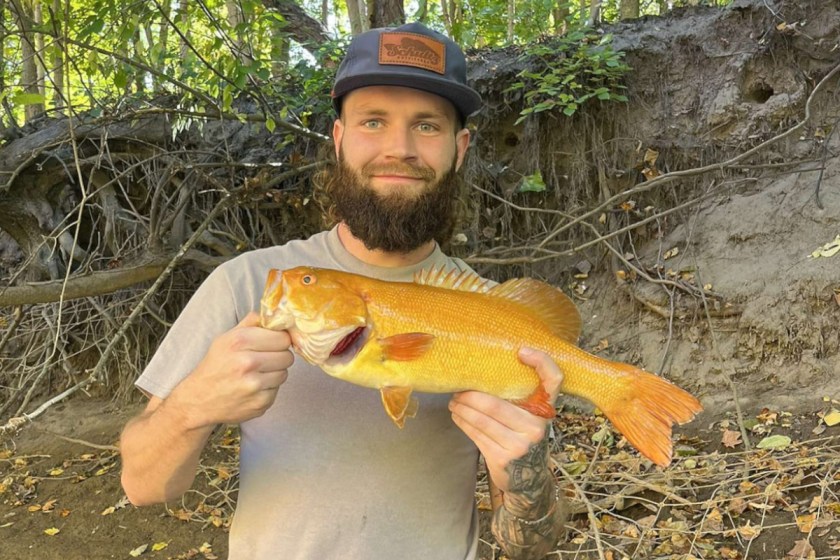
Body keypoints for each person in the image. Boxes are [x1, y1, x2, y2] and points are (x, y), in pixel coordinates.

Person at [120, 22, 565, 560]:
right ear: (339, 140)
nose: (398, 149)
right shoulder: (247, 284)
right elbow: (143, 486)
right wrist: (188, 407)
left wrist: (522, 474)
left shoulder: (496, 315)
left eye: (426, 126)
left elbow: (533, 545)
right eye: (373, 121)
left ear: (460, 147)